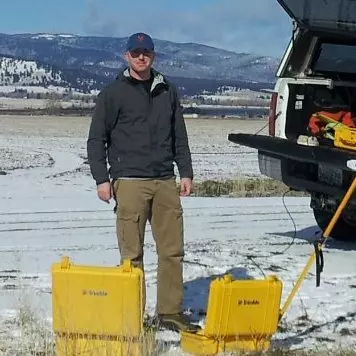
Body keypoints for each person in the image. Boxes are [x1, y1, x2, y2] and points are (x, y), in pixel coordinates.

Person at [86, 32, 199, 332]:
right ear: (127, 56)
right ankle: (133, 315)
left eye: (146, 52)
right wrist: (102, 179)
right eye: (135, 52)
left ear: (153, 56)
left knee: (172, 251)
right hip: (129, 182)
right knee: (131, 254)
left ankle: (170, 312)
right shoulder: (112, 94)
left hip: (164, 181)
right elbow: (96, 140)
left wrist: (185, 172)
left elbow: (180, 137)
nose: (141, 57)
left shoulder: (168, 91)